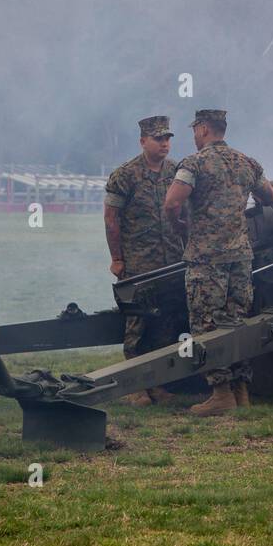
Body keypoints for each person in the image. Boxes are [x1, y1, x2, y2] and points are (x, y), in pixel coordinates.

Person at [163, 109, 273, 416]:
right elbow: (270, 196)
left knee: (207, 324)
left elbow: (172, 202)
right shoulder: (247, 162)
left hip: (206, 259)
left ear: (202, 129)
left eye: (195, 130)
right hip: (240, 257)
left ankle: (221, 394)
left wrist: (182, 228)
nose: (194, 135)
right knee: (236, 323)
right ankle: (241, 393)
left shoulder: (194, 164)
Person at [104, 115, 184, 406]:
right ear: (143, 141)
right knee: (137, 326)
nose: (165, 144)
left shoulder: (178, 171)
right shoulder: (124, 175)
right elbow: (111, 219)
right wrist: (117, 258)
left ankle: (158, 384)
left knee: (166, 324)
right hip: (139, 264)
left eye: (168, 138)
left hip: (172, 262)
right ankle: (135, 386)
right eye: (158, 138)